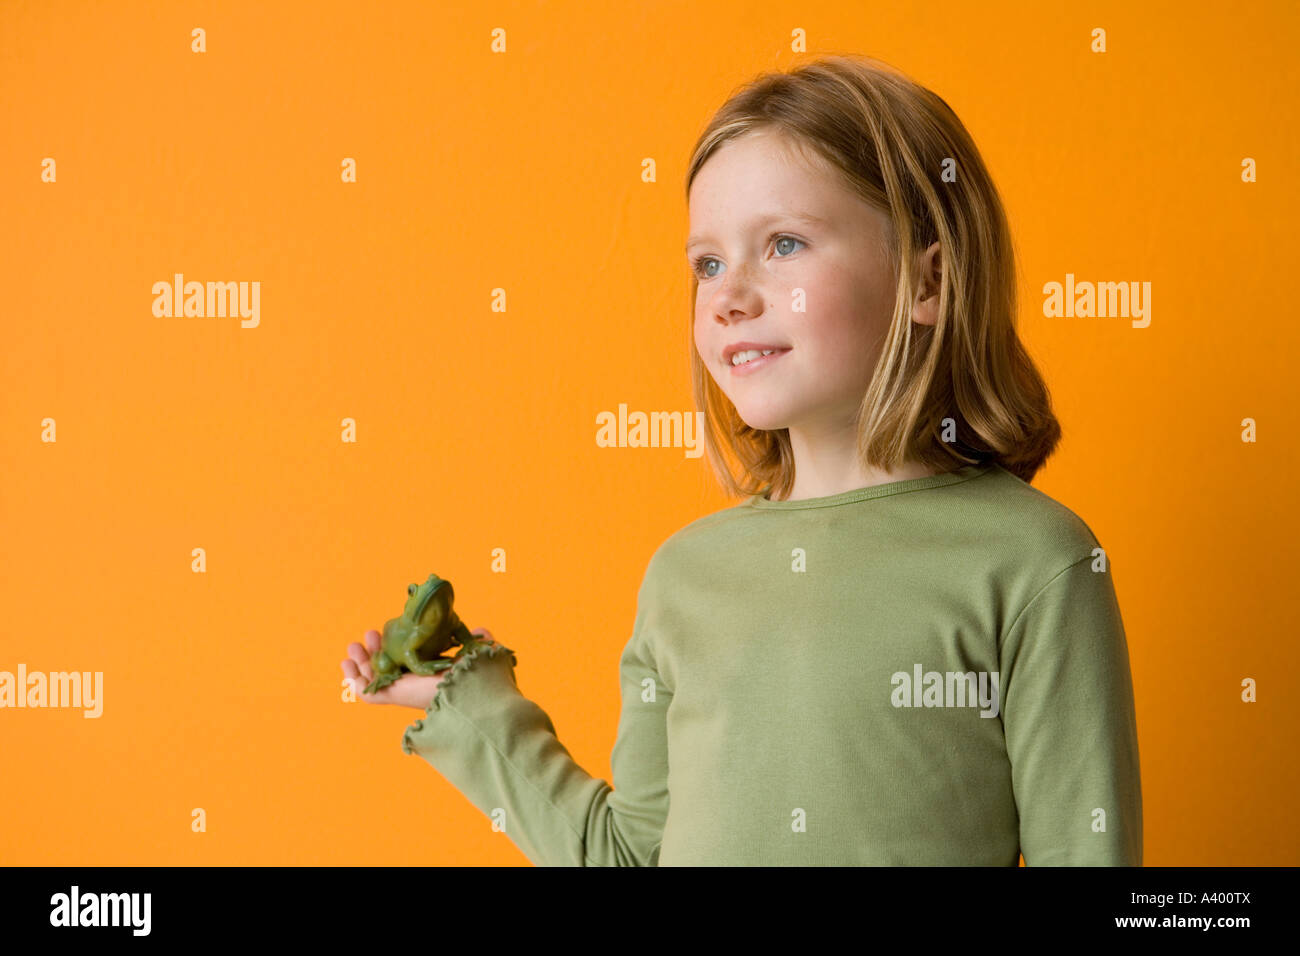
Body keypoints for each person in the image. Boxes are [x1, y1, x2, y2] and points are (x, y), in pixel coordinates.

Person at [340, 54, 1142, 866]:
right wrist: (473, 707)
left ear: (925, 280)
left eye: (784, 244)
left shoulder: (1036, 563)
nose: (728, 296)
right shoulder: (684, 577)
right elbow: (628, 857)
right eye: (708, 264)